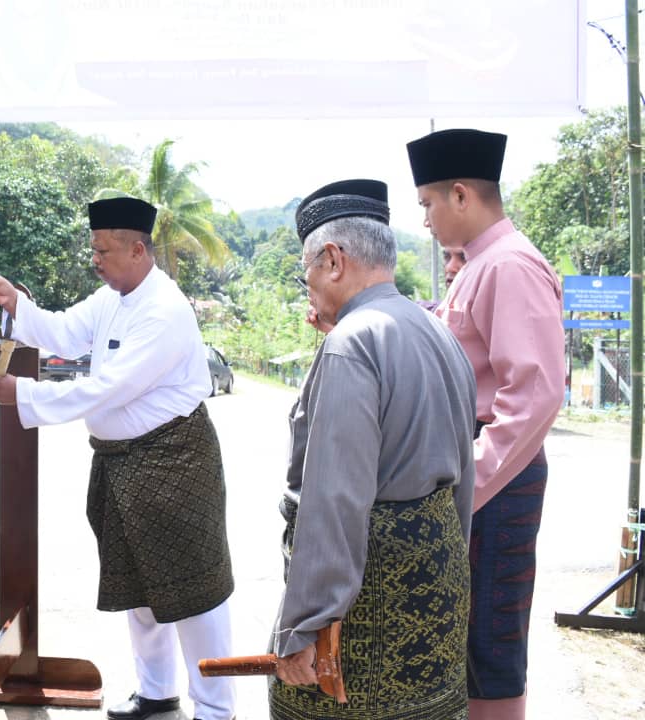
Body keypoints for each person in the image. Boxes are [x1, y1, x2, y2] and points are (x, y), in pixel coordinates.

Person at [0, 196, 236, 720]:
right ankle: (157, 691)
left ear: (137, 249)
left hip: (174, 462)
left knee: (195, 594)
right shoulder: (111, 297)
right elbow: (62, 331)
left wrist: (22, 395)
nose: (95, 259)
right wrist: (15, 305)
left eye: (103, 250)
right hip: (123, 464)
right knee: (141, 589)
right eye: (94, 249)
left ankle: (216, 709)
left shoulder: (164, 310)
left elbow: (106, 390)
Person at [271, 179, 476, 719]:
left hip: (369, 600)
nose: (308, 288)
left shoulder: (352, 343)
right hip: (437, 575)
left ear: (333, 260)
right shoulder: (436, 331)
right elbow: (464, 479)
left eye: (306, 272)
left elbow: (334, 500)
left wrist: (306, 622)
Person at [406, 129, 565, 720]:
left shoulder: (509, 265)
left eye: (427, 203)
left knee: (490, 636)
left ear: (460, 194)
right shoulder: (481, 265)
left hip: (496, 472)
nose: (425, 219)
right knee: (467, 632)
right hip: (479, 468)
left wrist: (470, 481)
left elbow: (534, 395)